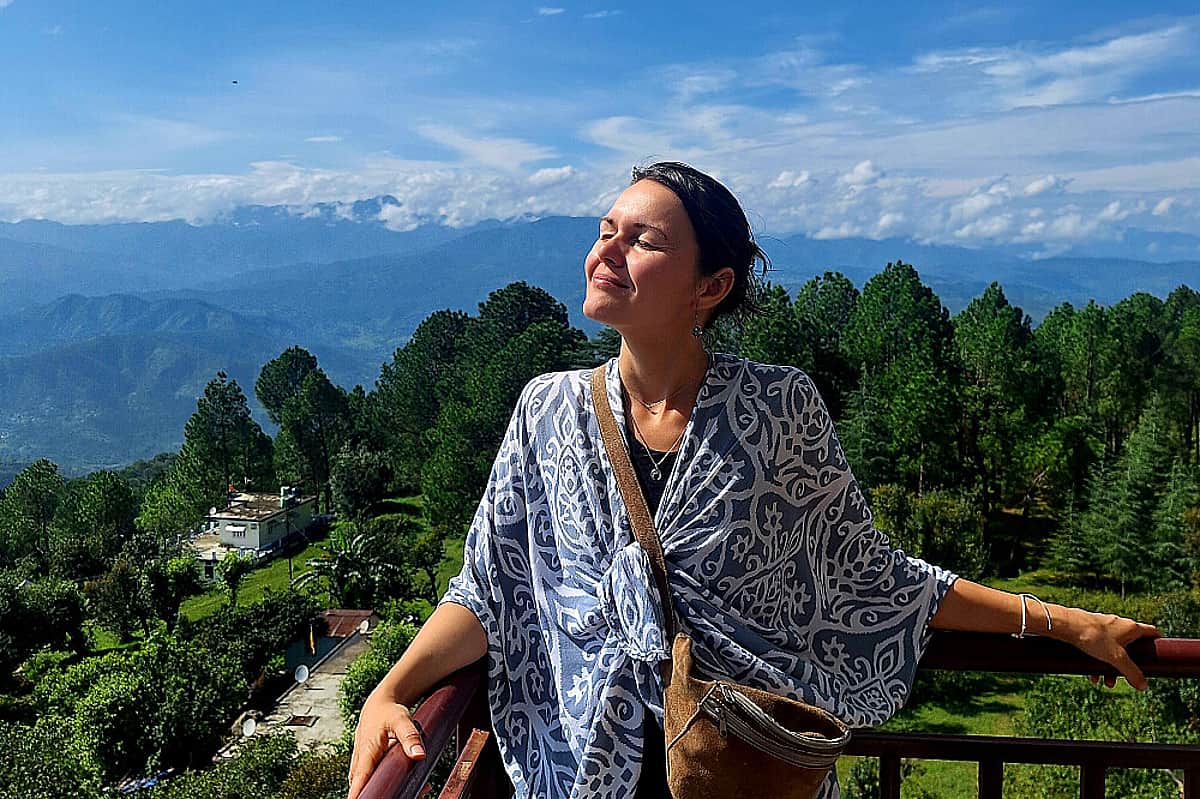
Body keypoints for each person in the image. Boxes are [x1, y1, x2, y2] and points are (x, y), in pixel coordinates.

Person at [347, 162, 1161, 799]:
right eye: (605, 229)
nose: (606, 251)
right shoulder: (546, 411)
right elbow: (489, 591)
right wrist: (388, 693)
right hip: (582, 766)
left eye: (643, 240)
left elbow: (871, 579)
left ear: (711, 286)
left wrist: (1062, 621)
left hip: (738, 764)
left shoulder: (778, 408)